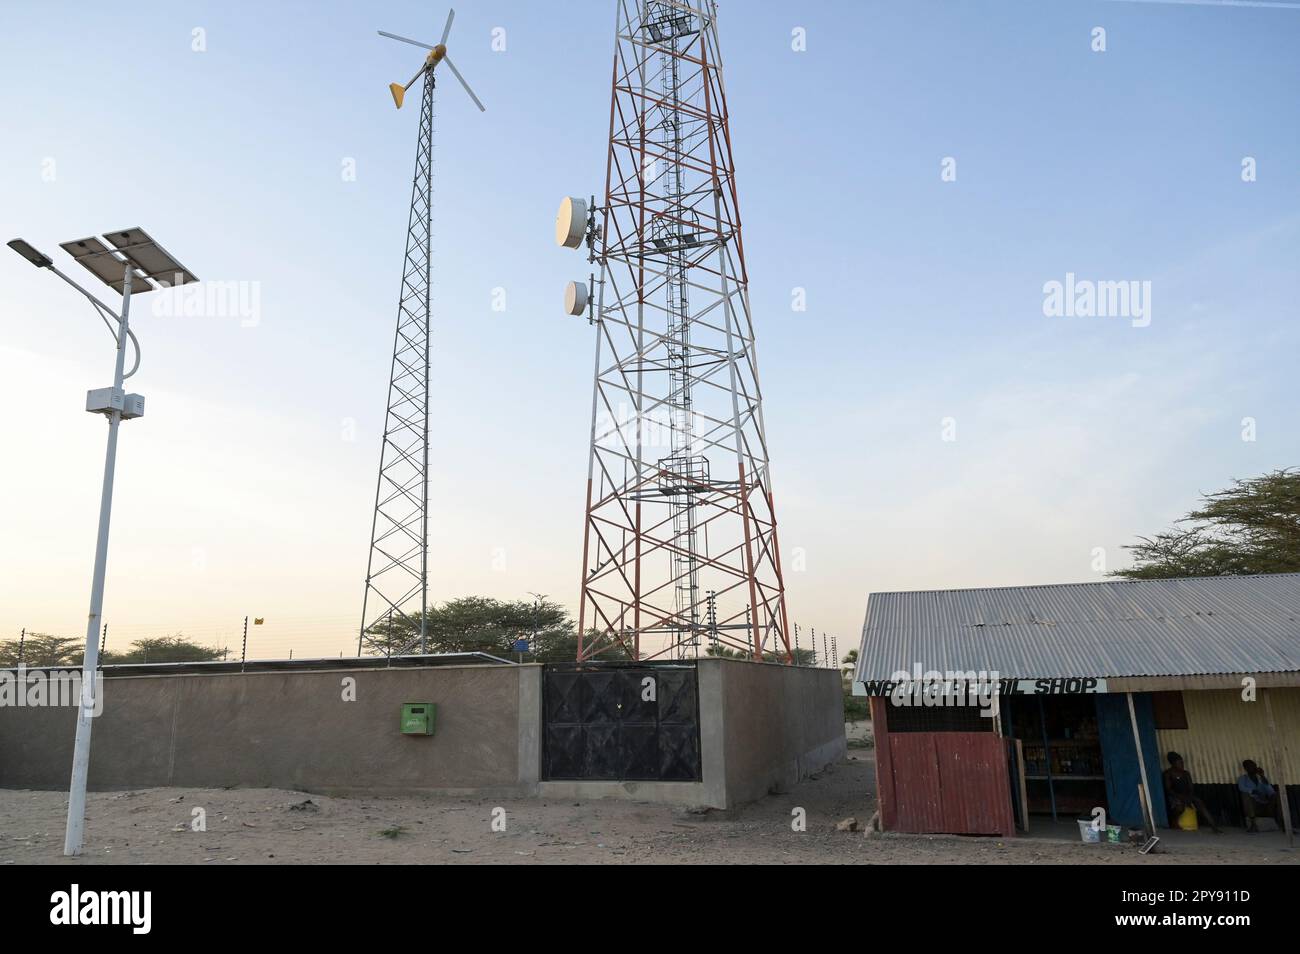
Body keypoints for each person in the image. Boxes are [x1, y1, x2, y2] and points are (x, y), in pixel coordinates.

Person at [1163, 751, 1222, 833]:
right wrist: (1181, 798)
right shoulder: (1168, 773)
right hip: (1175, 796)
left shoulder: (1186, 773)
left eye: (1182, 762)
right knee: (1180, 808)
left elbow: (1191, 788)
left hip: (1187, 795)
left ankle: (1214, 826)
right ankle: (1174, 822)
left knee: (1200, 803)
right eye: (1179, 763)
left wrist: (1189, 798)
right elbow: (1169, 790)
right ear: (1173, 764)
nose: (1182, 764)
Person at [1237, 760, 1284, 833]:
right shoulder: (1243, 779)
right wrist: (1254, 791)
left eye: (1255, 766)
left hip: (1265, 806)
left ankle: (1283, 823)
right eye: (1251, 766)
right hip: (1253, 807)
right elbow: (1242, 788)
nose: (1254, 767)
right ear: (1246, 768)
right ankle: (1253, 824)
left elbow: (1271, 791)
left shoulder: (1260, 779)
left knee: (1277, 795)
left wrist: (1262, 776)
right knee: (1245, 795)